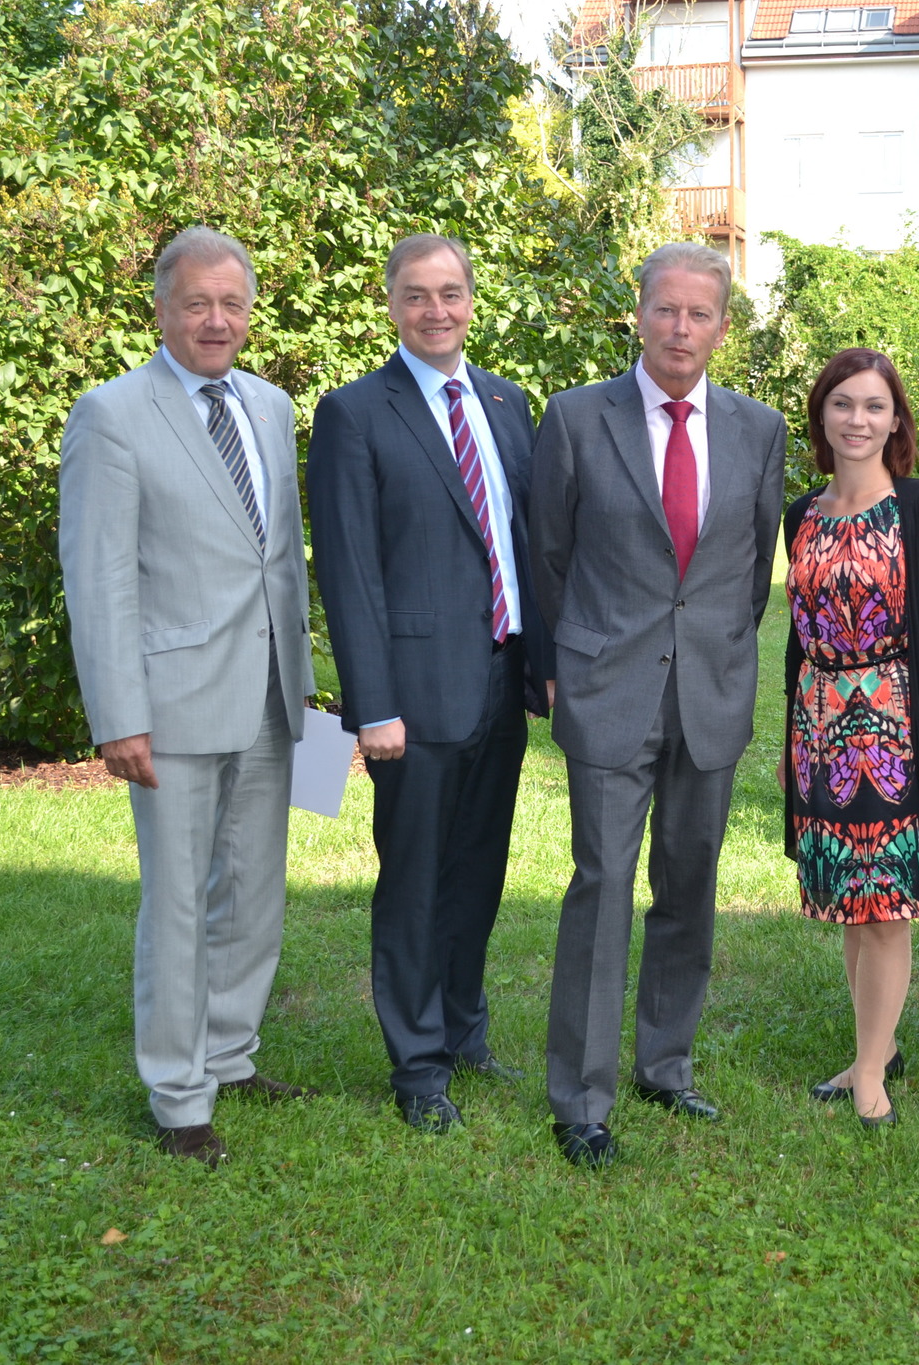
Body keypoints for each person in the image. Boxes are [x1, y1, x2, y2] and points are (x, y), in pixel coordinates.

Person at [59, 227, 316, 1167]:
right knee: (177, 898)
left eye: (232, 303)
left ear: (249, 311)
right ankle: (178, 1095)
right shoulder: (113, 413)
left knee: (253, 889)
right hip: (168, 702)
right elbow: (99, 577)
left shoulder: (274, 408)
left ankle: (232, 1052)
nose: (216, 319)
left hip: (268, 694)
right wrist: (116, 711)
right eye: (197, 303)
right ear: (162, 309)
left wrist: (306, 683)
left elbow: (279, 560)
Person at [529, 242, 788, 1167]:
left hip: (709, 692)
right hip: (610, 689)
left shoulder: (759, 430)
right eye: (666, 310)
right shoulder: (574, 419)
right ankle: (583, 1098)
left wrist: (713, 652)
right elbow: (548, 557)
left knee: (690, 884)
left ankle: (666, 1067)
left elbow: (754, 568)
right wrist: (569, 660)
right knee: (602, 885)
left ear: (724, 325)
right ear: (637, 313)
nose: (682, 329)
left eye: (701, 314)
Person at [308, 235, 550, 1136]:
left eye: (450, 292)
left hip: (499, 676)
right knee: (413, 880)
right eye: (417, 295)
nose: (436, 309)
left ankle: (463, 1028)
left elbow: (525, 547)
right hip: (411, 694)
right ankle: (416, 1065)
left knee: (478, 870)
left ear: (471, 299)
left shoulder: (505, 401)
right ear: (391, 304)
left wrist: (545, 666)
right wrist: (372, 706)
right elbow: (349, 569)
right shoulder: (355, 413)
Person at [778, 349, 919, 1130]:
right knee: (849, 900)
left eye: (873, 406)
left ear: (896, 419)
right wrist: (797, 736)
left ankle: (869, 1073)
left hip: (897, 721)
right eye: (842, 405)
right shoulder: (803, 513)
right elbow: (798, 635)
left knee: (885, 902)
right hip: (819, 723)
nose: (857, 420)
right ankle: (877, 1044)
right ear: (820, 416)